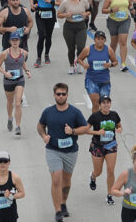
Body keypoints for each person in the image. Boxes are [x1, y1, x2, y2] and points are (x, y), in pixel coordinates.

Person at [37, 82, 90, 222]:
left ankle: (63, 203)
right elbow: (40, 125)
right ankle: (58, 211)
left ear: (67, 95)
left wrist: (72, 131)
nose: (61, 96)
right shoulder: (48, 112)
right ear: (54, 95)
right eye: (58, 94)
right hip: (53, 150)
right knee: (56, 179)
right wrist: (43, 135)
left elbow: (85, 128)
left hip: (71, 152)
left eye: (63, 94)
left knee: (66, 181)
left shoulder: (74, 112)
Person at [85, 94, 122, 205]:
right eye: (104, 103)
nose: (106, 105)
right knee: (98, 171)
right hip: (97, 146)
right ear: (100, 105)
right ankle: (93, 176)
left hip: (111, 145)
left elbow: (119, 126)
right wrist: (97, 132)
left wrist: (119, 129)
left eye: (108, 102)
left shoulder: (114, 114)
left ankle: (110, 195)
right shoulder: (95, 116)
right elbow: (86, 130)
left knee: (110, 170)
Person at [0, 31, 31, 135]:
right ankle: (10, 118)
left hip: (19, 79)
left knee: (17, 103)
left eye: (17, 40)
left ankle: (18, 126)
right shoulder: (5, 53)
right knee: (10, 102)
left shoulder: (24, 53)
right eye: (13, 40)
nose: (15, 42)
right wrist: (5, 73)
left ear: (20, 41)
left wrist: (27, 71)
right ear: (10, 41)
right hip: (8, 81)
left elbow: (22, 62)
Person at [77, 30, 113, 114]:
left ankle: (103, 122)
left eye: (102, 39)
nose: (100, 41)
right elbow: (79, 59)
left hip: (105, 81)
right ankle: (96, 123)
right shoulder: (88, 49)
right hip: (91, 80)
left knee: (104, 105)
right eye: (98, 39)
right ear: (94, 39)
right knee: (96, 104)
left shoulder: (108, 49)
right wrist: (84, 65)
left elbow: (115, 62)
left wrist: (110, 64)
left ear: (105, 40)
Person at [0, 151, 26, 222]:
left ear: (9, 162)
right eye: (0, 161)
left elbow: (22, 193)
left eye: (5, 161)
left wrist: (11, 196)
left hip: (10, 214)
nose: (2, 164)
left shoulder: (15, 178)